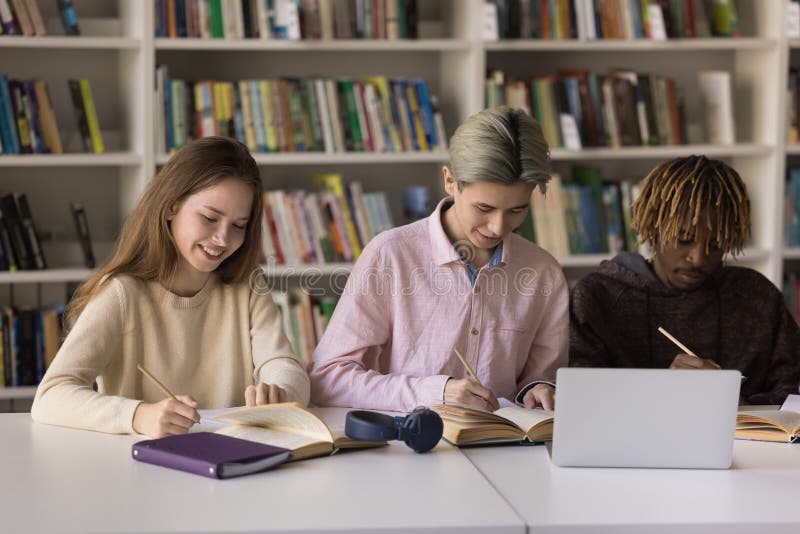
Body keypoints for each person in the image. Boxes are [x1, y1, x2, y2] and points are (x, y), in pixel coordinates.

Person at [31, 137, 310, 437]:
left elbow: (284, 365)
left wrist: (281, 391)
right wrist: (138, 416)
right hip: (142, 468)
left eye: (238, 225)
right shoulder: (121, 293)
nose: (222, 239)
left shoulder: (248, 288)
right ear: (170, 207)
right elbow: (50, 396)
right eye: (209, 218)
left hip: (232, 466)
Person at [309, 106, 568, 412]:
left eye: (516, 210)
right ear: (449, 180)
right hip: (407, 451)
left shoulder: (544, 273)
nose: (499, 227)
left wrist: (538, 389)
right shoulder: (391, 255)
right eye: (484, 208)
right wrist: (432, 392)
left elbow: (542, 379)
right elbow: (327, 381)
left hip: (506, 452)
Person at [570, 155, 800, 405]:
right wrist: (661, 391)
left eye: (715, 244)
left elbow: (791, 396)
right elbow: (582, 401)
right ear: (653, 228)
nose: (699, 258)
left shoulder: (758, 298)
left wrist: (736, 403)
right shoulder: (598, 297)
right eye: (684, 240)